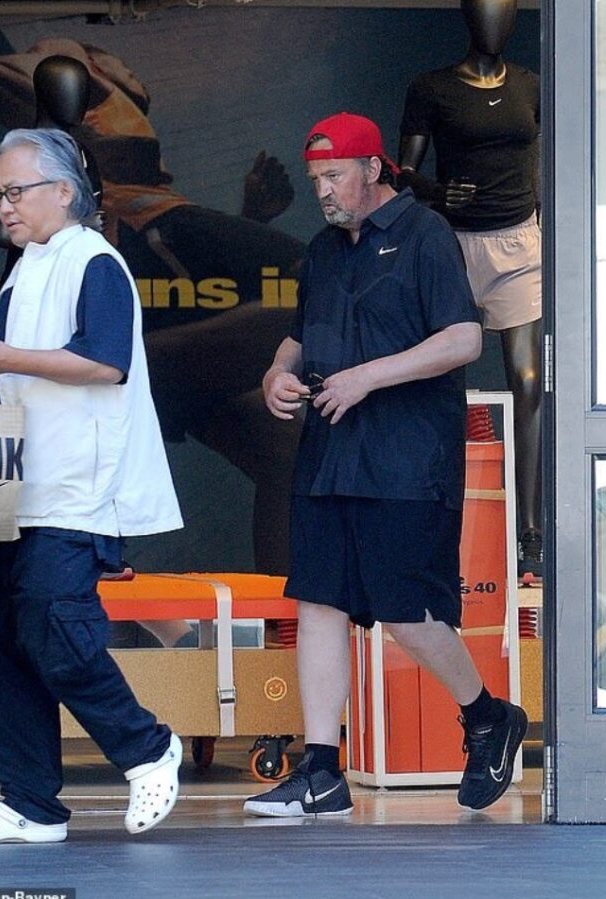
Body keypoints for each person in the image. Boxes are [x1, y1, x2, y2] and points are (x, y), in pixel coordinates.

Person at [243, 112, 528, 818]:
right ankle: (321, 770)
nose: (324, 192)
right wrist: (279, 372)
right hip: (330, 455)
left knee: (408, 610)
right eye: (316, 181)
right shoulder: (322, 248)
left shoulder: (424, 234)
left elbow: (464, 337)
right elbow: (298, 336)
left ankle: (488, 714)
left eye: (335, 176)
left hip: (407, 457)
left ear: (374, 170)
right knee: (317, 601)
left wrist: (369, 377)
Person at [0, 39, 306, 575]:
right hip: (103, 353)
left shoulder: (145, 210)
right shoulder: (59, 192)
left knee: (284, 449)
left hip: (134, 346)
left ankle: (268, 618)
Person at [0, 128, 184, 844]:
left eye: (15, 192)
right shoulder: (27, 266)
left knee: (55, 629)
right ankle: (30, 803)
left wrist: (5, 356)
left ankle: (146, 747)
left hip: (73, 485)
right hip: (12, 487)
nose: (5, 207)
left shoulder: (94, 260)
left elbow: (105, 362)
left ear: (63, 191)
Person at [397, 0, 542, 576]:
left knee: (529, 380)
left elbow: (541, 163)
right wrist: (435, 192)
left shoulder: (531, 85)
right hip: (452, 244)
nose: (495, 21)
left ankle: (529, 530)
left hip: (518, 244)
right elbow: (401, 171)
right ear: (466, 17)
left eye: (505, 11)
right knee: (438, 383)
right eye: (485, 10)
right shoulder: (431, 88)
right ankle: (434, 519)